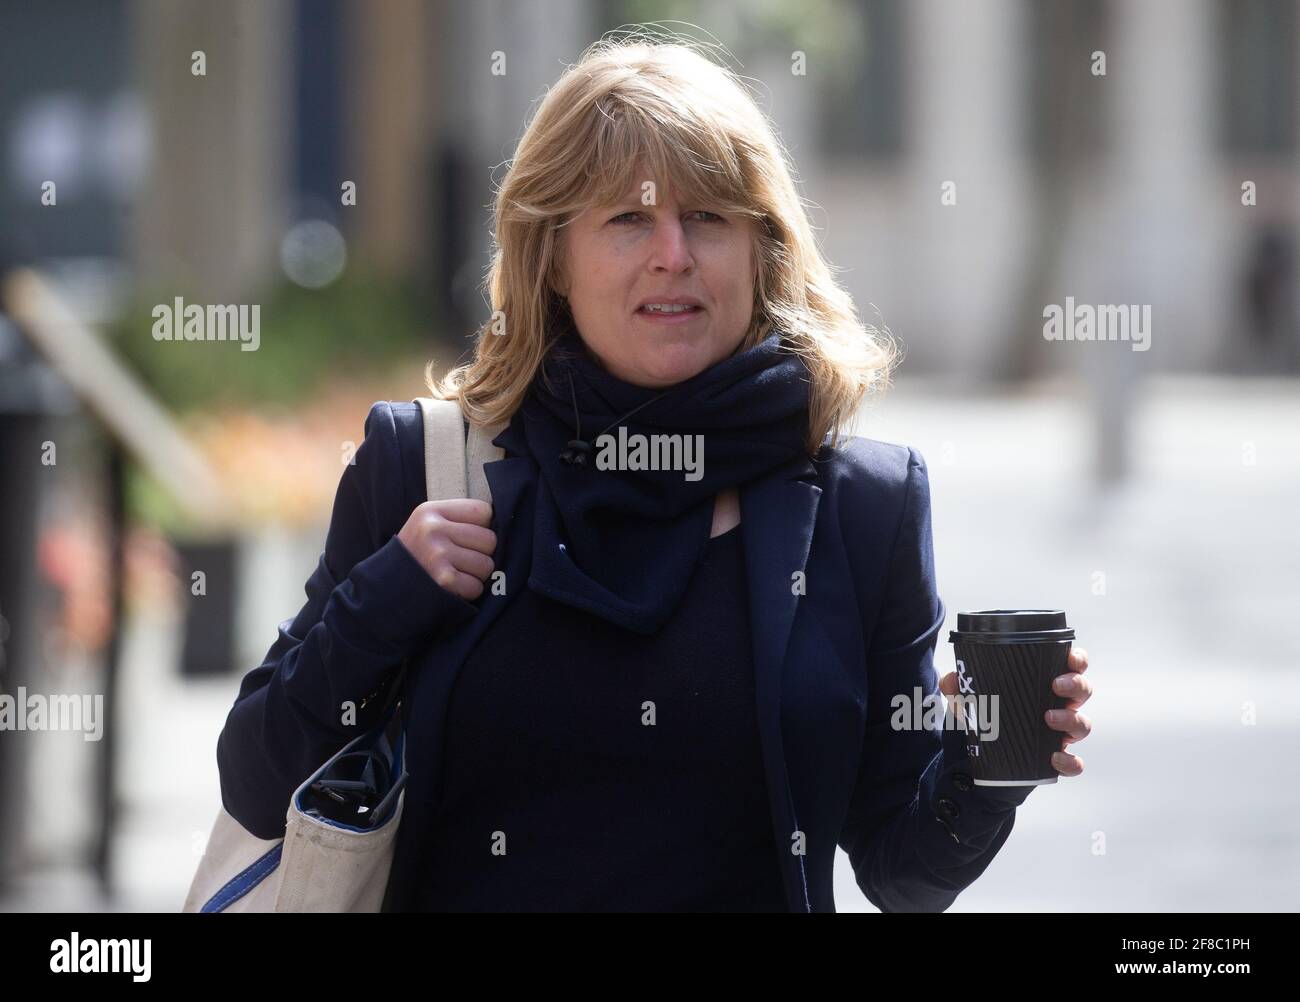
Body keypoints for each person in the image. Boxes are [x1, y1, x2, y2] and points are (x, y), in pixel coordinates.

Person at [216, 33, 1093, 913]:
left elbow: (900, 875)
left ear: (762, 250)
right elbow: (257, 783)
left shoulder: (863, 506)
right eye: (629, 218)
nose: (673, 253)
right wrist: (385, 599)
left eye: (709, 216)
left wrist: (987, 765)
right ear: (553, 256)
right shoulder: (423, 469)